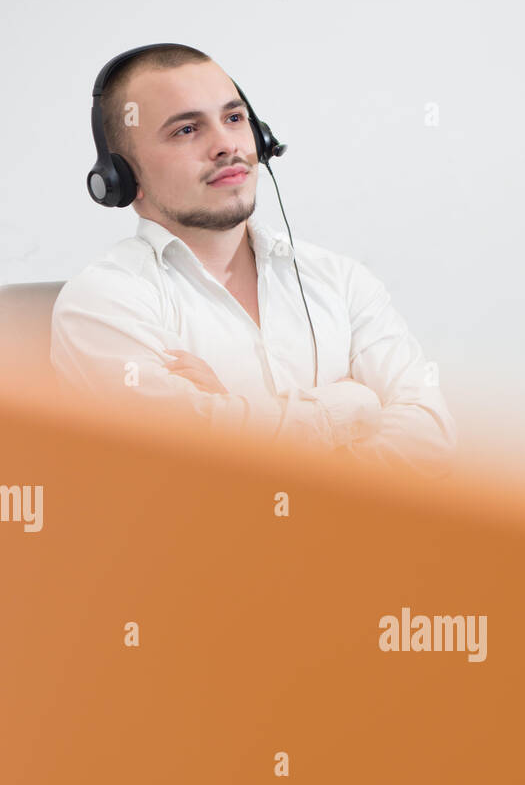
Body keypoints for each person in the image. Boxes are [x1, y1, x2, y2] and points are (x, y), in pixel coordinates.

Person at [50, 44, 457, 477]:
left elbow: (432, 437)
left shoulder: (340, 281)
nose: (226, 145)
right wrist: (351, 407)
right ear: (123, 178)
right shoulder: (103, 302)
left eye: (233, 118)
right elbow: (191, 478)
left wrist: (238, 421)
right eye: (186, 130)